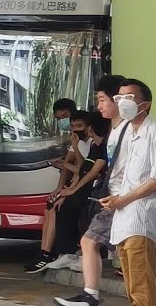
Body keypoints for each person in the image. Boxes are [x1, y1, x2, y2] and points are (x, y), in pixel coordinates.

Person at [56, 74, 129, 306]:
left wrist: (123, 196)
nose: (99, 106)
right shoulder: (115, 131)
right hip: (114, 199)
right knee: (90, 242)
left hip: (126, 200)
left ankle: (92, 296)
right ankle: (90, 295)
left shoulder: (133, 130)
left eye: (102, 100)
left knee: (131, 254)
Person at [29, 109, 108, 273]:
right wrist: (67, 188)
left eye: (81, 126)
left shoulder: (102, 147)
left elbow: (90, 173)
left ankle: (61, 253)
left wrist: (72, 189)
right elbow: (84, 169)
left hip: (94, 191)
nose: (78, 130)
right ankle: (50, 253)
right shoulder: (95, 145)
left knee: (66, 208)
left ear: (90, 128)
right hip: (84, 187)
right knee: (57, 205)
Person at [99, 79, 156, 306]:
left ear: (145, 104)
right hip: (124, 219)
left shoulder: (153, 132)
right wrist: (117, 199)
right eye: (119, 97)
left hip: (141, 219)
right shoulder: (129, 134)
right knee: (132, 287)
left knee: (142, 289)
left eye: (129, 97)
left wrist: (123, 200)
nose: (122, 102)